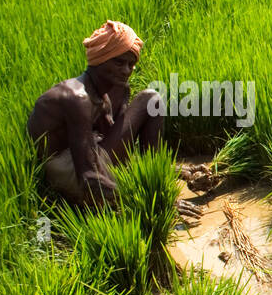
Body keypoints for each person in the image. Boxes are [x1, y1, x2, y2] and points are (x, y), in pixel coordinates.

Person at [26, 20, 190, 211]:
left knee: (151, 100)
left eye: (131, 64)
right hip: (69, 168)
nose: (127, 70)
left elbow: (113, 139)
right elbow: (88, 176)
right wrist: (152, 201)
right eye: (119, 62)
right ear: (100, 58)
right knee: (149, 99)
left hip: (91, 152)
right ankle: (149, 189)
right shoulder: (77, 98)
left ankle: (155, 172)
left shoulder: (111, 90)